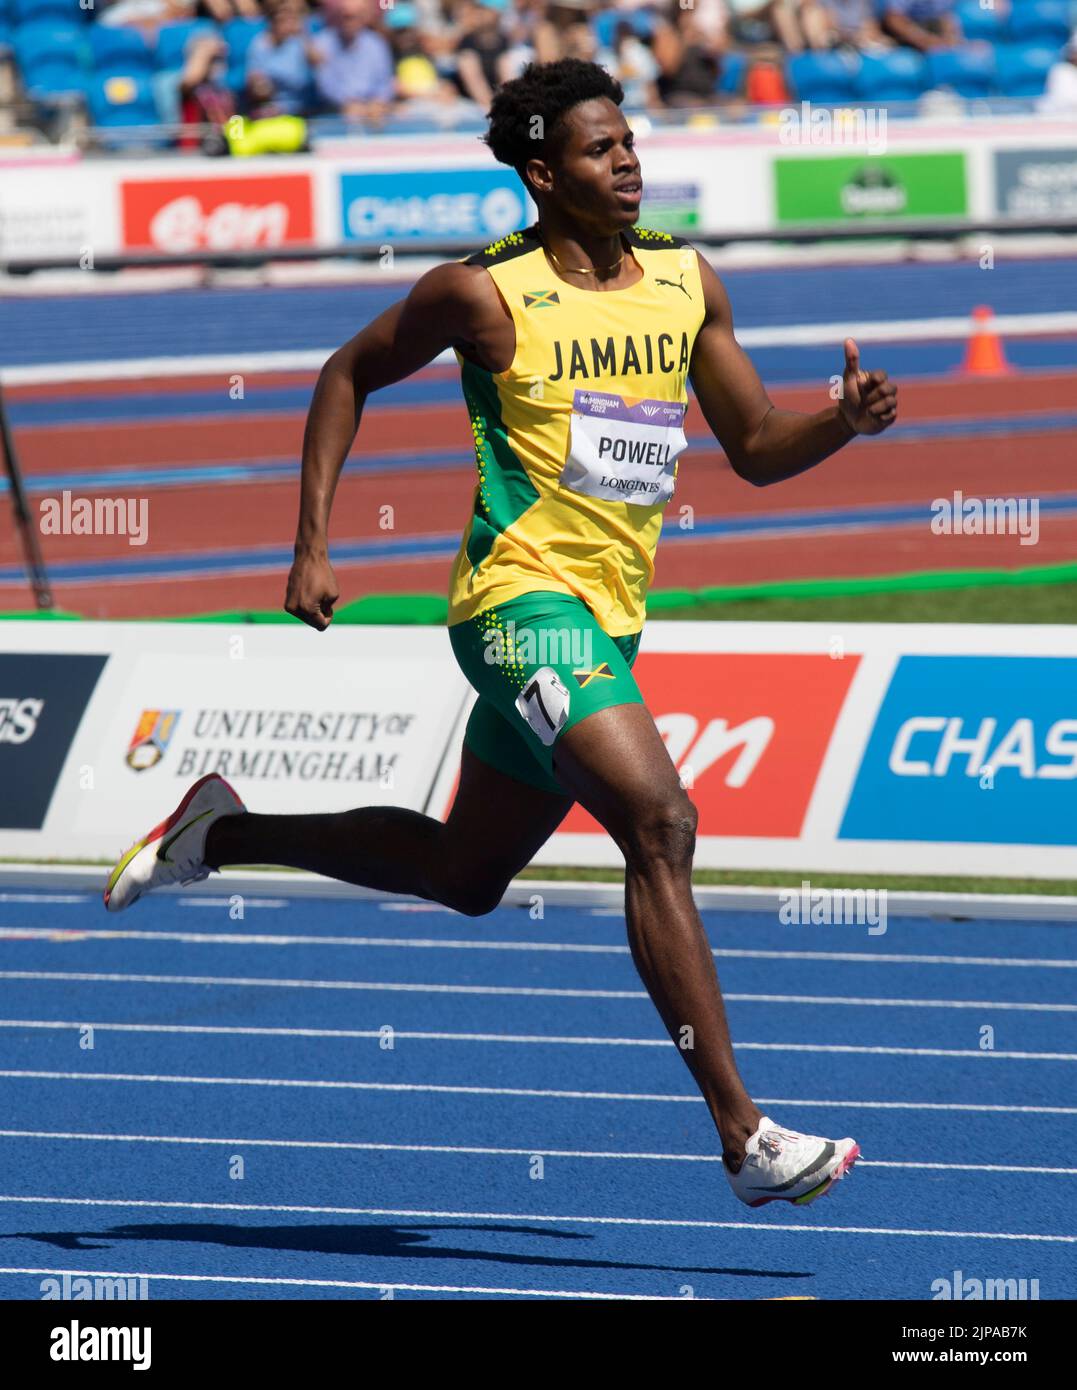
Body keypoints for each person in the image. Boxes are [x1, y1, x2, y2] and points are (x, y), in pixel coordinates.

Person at [104, 58, 898, 1208]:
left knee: (464, 874)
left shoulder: (685, 281)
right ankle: (744, 1134)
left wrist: (844, 422)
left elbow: (759, 444)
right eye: (599, 148)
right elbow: (347, 373)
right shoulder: (482, 294)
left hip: (605, 624)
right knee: (660, 819)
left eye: (630, 141)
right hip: (516, 609)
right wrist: (310, 544)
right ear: (542, 172)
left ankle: (219, 832)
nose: (628, 161)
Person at [312, 0, 396, 122]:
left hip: (373, 113)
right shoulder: (322, 44)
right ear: (337, 17)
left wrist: (378, 102)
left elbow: (384, 82)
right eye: (346, 17)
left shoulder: (376, 44)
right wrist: (348, 104)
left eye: (354, 17)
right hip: (333, 114)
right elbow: (324, 85)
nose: (349, 22)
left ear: (363, 18)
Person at [245, 0, 321, 116]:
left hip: (305, 110)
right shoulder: (259, 44)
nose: (286, 25)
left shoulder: (301, 42)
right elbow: (256, 85)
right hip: (272, 110)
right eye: (281, 20)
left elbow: (318, 65)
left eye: (291, 19)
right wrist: (261, 89)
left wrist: (304, 35)